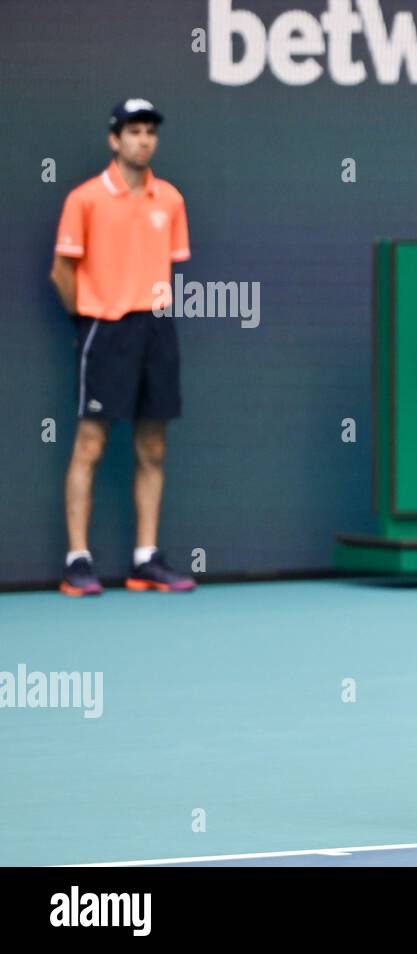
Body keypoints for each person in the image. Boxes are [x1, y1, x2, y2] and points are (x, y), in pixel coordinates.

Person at [51, 99, 196, 596]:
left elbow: (166, 264)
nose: (143, 140)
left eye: (149, 132)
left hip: (156, 328)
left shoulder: (170, 199)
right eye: (133, 131)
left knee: (153, 445)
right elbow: (62, 272)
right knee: (90, 444)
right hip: (105, 329)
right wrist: (87, 317)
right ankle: (77, 560)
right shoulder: (84, 199)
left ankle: (145, 559)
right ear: (114, 140)